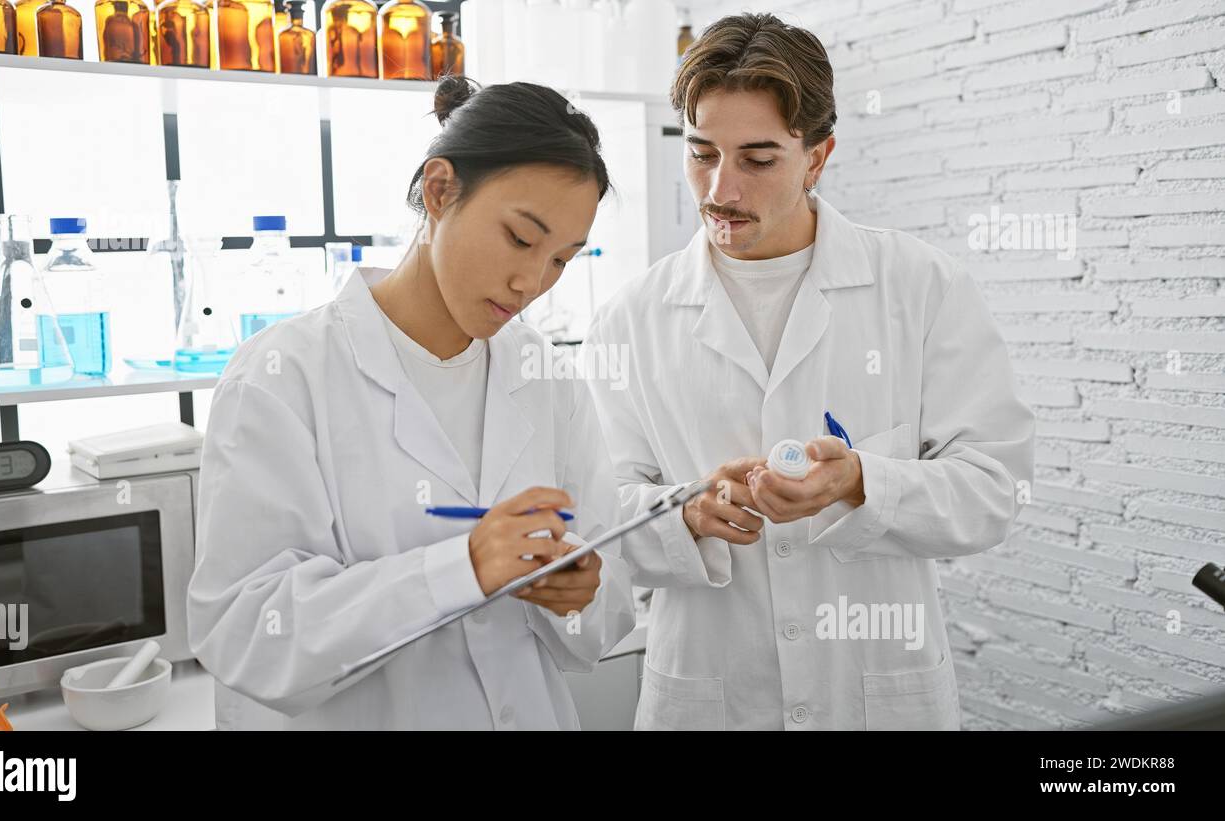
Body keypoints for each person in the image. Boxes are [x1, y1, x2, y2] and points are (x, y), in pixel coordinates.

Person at [583, 13, 1035, 730]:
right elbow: (596, 509)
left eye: (758, 159)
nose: (720, 189)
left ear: (817, 158)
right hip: (709, 695)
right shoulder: (631, 318)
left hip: (878, 695)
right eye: (701, 153)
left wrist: (861, 481)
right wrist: (687, 512)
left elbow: (995, 489)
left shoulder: (919, 287)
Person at [188, 76, 636, 730]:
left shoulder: (548, 378)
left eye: (561, 260)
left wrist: (580, 592)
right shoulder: (283, 377)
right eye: (519, 238)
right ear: (439, 190)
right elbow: (249, 633)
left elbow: (608, 600)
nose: (531, 282)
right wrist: (461, 568)